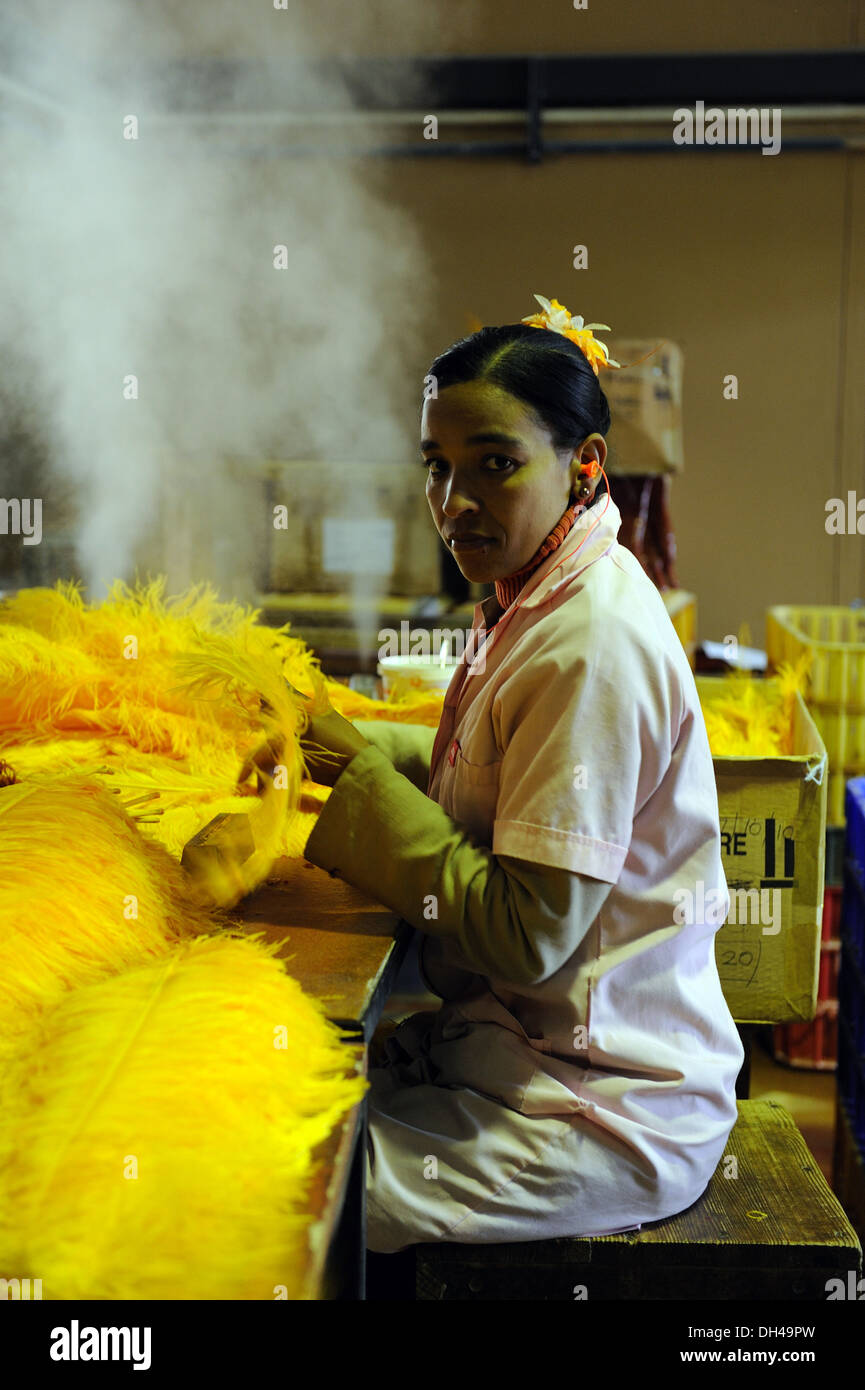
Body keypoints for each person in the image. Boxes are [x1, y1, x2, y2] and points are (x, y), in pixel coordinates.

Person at [255, 295, 744, 1261]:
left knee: (278, 1198)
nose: (455, 502)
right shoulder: (531, 594)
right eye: (437, 469)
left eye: (496, 464)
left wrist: (356, 793)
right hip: (512, 1056)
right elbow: (474, 772)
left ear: (585, 464)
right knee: (263, 1107)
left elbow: (526, 935)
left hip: (598, 1106)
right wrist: (322, 745)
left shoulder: (589, 640)